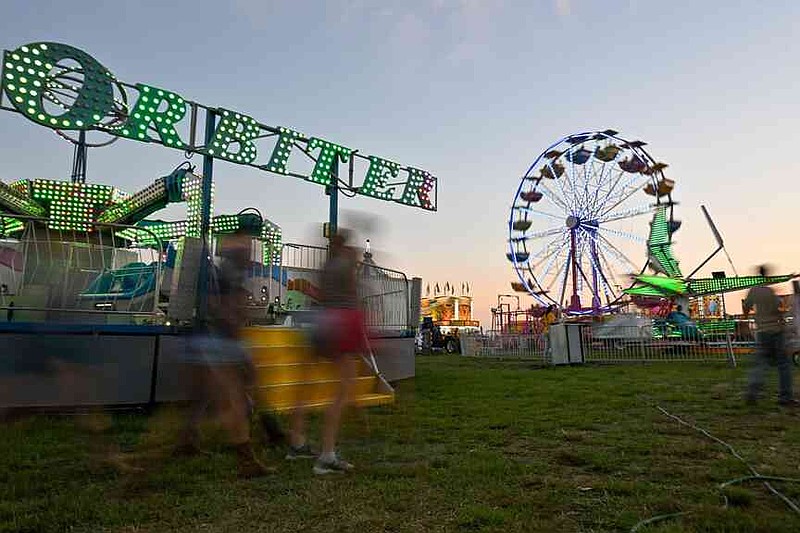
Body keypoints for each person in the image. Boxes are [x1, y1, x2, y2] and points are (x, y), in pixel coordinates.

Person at [177, 232, 275, 477]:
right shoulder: (229, 273)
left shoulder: (220, 271)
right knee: (236, 399)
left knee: (203, 396)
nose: (250, 253)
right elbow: (224, 309)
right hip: (220, 342)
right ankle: (246, 458)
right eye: (246, 249)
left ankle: (186, 440)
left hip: (209, 339)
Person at [287, 230, 361, 474]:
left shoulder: (326, 265)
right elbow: (352, 295)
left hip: (320, 322)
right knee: (342, 389)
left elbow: (323, 295)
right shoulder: (346, 264)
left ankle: (296, 441)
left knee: (305, 385)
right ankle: (327, 455)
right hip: (341, 322)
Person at [744, 265, 795, 406]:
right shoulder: (770, 292)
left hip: (762, 331)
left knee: (761, 363)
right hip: (775, 330)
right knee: (783, 364)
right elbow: (779, 309)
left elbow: (747, 306)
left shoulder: (753, 291)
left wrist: (748, 317)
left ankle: (752, 391)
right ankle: (785, 397)